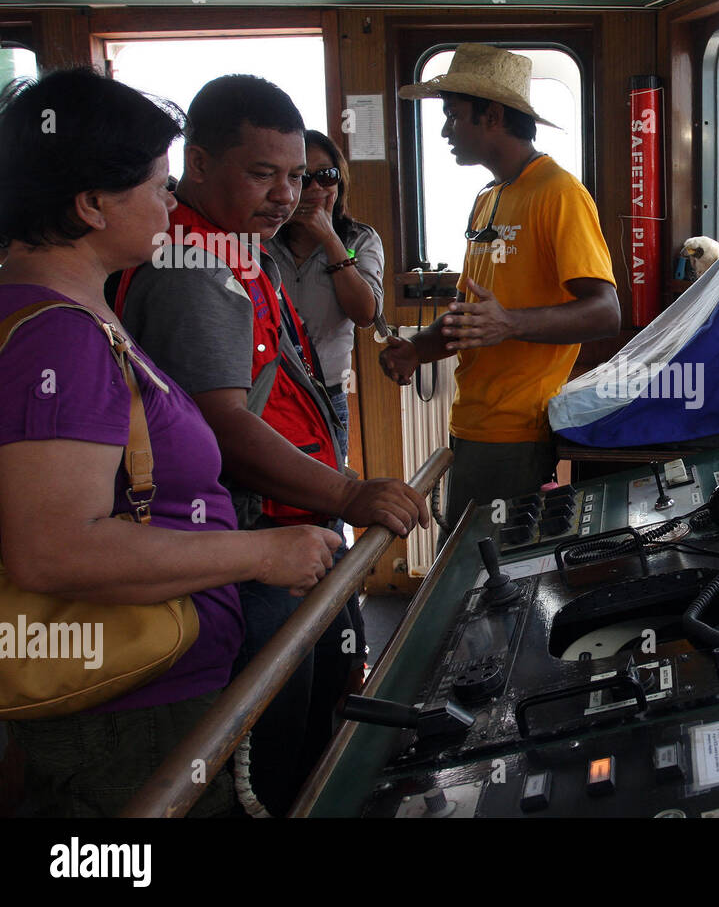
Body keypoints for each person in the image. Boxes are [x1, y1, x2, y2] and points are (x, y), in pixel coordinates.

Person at [0, 68, 340, 817]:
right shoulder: (58, 337)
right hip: (127, 712)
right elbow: (55, 549)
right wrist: (262, 552)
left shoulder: (68, 316)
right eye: (158, 186)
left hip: (153, 680)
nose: (169, 203)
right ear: (91, 204)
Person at [112, 74, 429, 817]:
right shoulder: (194, 269)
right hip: (253, 543)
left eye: (296, 176)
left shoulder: (243, 250)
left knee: (323, 717)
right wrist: (348, 492)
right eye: (262, 174)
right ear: (195, 165)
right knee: (276, 754)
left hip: (296, 524)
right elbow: (223, 423)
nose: (286, 195)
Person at [381, 44, 621, 521]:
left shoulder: (559, 193)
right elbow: (472, 316)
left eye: (454, 116)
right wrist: (415, 350)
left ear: (491, 116)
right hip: (472, 420)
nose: (446, 129)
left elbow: (605, 311)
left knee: (483, 573)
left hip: (516, 430)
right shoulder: (488, 198)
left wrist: (509, 323)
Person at [264, 130, 383, 466]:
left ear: (339, 182)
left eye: (326, 176)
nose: (315, 188)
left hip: (326, 394)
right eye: (304, 178)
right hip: (268, 392)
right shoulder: (262, 239)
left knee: (327, 497)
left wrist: (331, 240)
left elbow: (365, 313)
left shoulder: (359, 239)